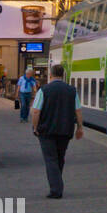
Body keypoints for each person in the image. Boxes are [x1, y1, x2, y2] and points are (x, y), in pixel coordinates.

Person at [30, 64, 83, 199]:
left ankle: (56, 189)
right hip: (65, 130)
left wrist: (35, 127)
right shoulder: (72, 91)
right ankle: (57, 183)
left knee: (50, 159)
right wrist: (80, 128)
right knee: (60, 158)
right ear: (63, 74)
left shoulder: (44, 90)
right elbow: (78, 111)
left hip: (46, 131)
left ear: (51, 75)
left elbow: (36, 111)